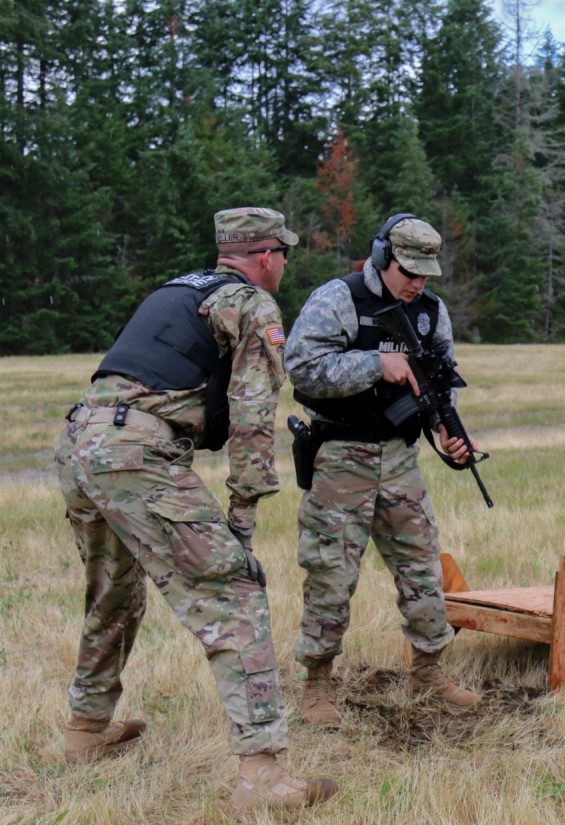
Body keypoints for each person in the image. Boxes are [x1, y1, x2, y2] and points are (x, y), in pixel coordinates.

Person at [55, 207, 337, 816]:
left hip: (80, 442)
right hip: (135, 454)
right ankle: (261, 772)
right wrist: (240, 521)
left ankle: (85, 728)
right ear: (266, 256)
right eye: (284, 254)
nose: (285, 265)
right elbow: (253, 418)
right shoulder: (253, 304)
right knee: (234, 595)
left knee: (113, 591)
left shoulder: (175, 290)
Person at [285, 212, 481, 727]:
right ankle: (317, 685)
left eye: (424, 274)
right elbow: (302, 368)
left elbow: (439, 379)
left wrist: (448, 429)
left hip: (399, 458)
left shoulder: (431, 312)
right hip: (341, 456)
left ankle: (429, 672)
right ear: (381, 258)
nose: (416, 284)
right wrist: (375, 365)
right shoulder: (340, 299)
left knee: (423, 568)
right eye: (408, 272)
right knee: (330, 573)